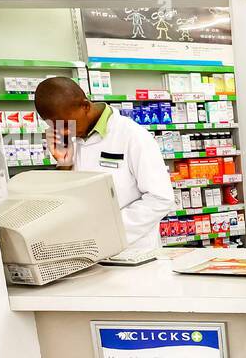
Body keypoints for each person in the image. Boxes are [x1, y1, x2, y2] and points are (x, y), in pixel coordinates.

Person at [33, 76, 174, 249]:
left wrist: (106, 229)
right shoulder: (68, 140)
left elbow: (160, 198)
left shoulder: (132, 136)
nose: (61, 130)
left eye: (65, 123)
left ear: (85, 106)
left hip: (132, 251)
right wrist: (64, 164)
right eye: (54, 125)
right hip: (87, 249)